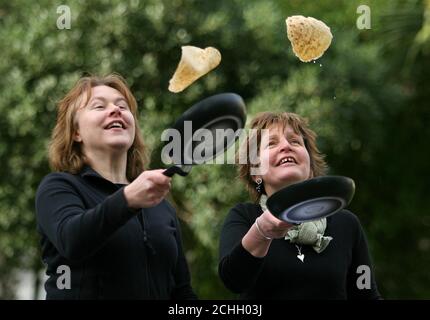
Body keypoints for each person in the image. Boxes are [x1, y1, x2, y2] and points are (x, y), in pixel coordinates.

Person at [35, 74, 196, 299]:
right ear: (76, 132)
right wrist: (128, 199)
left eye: (122, 106)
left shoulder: (161, 206)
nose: (115, 110)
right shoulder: (58, 187)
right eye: (99, 106)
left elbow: (181, 291)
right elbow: (72, 240)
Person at [218, 111, 381, 299]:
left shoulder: (347, 224)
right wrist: (262, 230)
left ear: (310, 168)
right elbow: (233, 280)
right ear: (256, 173)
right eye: (271, 143)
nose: (286, 146)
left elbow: (367, 295)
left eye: (295, 141)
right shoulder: (244, 217)